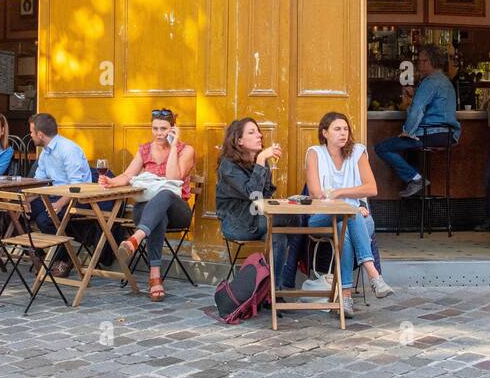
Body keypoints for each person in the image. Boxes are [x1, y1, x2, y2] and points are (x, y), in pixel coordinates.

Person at [306, 111, 394, 317]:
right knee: (349, 214)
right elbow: (315, 193)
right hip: (322, 216)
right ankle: (373, 274)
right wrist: (350, 205)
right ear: (324, 133)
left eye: (345, 129)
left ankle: (345, 297)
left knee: (343, 225)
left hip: (358, 219)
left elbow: (372, 188)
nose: (343, 133)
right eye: (337, 129)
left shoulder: (357, 152)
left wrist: (340, 193)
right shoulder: (314, 153)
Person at [105, 108, 195, 302]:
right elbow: (129, 175)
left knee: (165, 192)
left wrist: (173, 146)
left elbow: (172, 178)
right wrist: (112, 182)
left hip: (177, 209)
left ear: (173, 129)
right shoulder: (144, 149)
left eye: (164, 129)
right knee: (156, 216)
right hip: (148, 213)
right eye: (155, 128)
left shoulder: (185, 150)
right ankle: (155, 277)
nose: (159, 133)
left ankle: (135, 239)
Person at [215, 117, 298, 290]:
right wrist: (261, 160)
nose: (259, 135)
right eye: (252, 132)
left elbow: (265, 195)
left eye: (258, 131)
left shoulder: (260, 161)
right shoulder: (228, 166)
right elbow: (253, 194)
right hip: (237, 223)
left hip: (257, 219)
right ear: (239, 140)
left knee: (279, 235)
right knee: (291, 220)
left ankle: (273, 292)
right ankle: (275, 290)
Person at [373, 44, 461, 198]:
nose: (418, 65)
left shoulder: (430, 82)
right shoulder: (445, 81)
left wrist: (408, 131)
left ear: (429, 62)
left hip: (431, 133)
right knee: (411, 152)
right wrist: (416, 93)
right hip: (447, 135)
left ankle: (416, 179)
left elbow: (417, 110)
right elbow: (435, 105)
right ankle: (415, 186)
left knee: (382, 148)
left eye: (421, 61)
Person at [27, 112, 95, 279]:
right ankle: (42, 256)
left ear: (40, 134)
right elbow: (40, 181)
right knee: (20, 212)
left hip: (77, 199)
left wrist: (60, 204)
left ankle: (65, 258)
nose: (30, 135)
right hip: (53, 196)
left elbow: (77, 186)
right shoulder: (44, 153)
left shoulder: (68, 149)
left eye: (31, 132)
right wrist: (26, 199)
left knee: (45, 219)